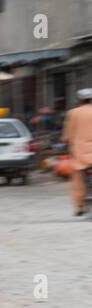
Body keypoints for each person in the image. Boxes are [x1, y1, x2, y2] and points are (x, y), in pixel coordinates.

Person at [62, 88, 92, 217]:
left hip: (80, 152)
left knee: (78, 180)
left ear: (79, 100)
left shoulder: (73, 113)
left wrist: (65, 141)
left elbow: (68, 134)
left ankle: (80, 207)